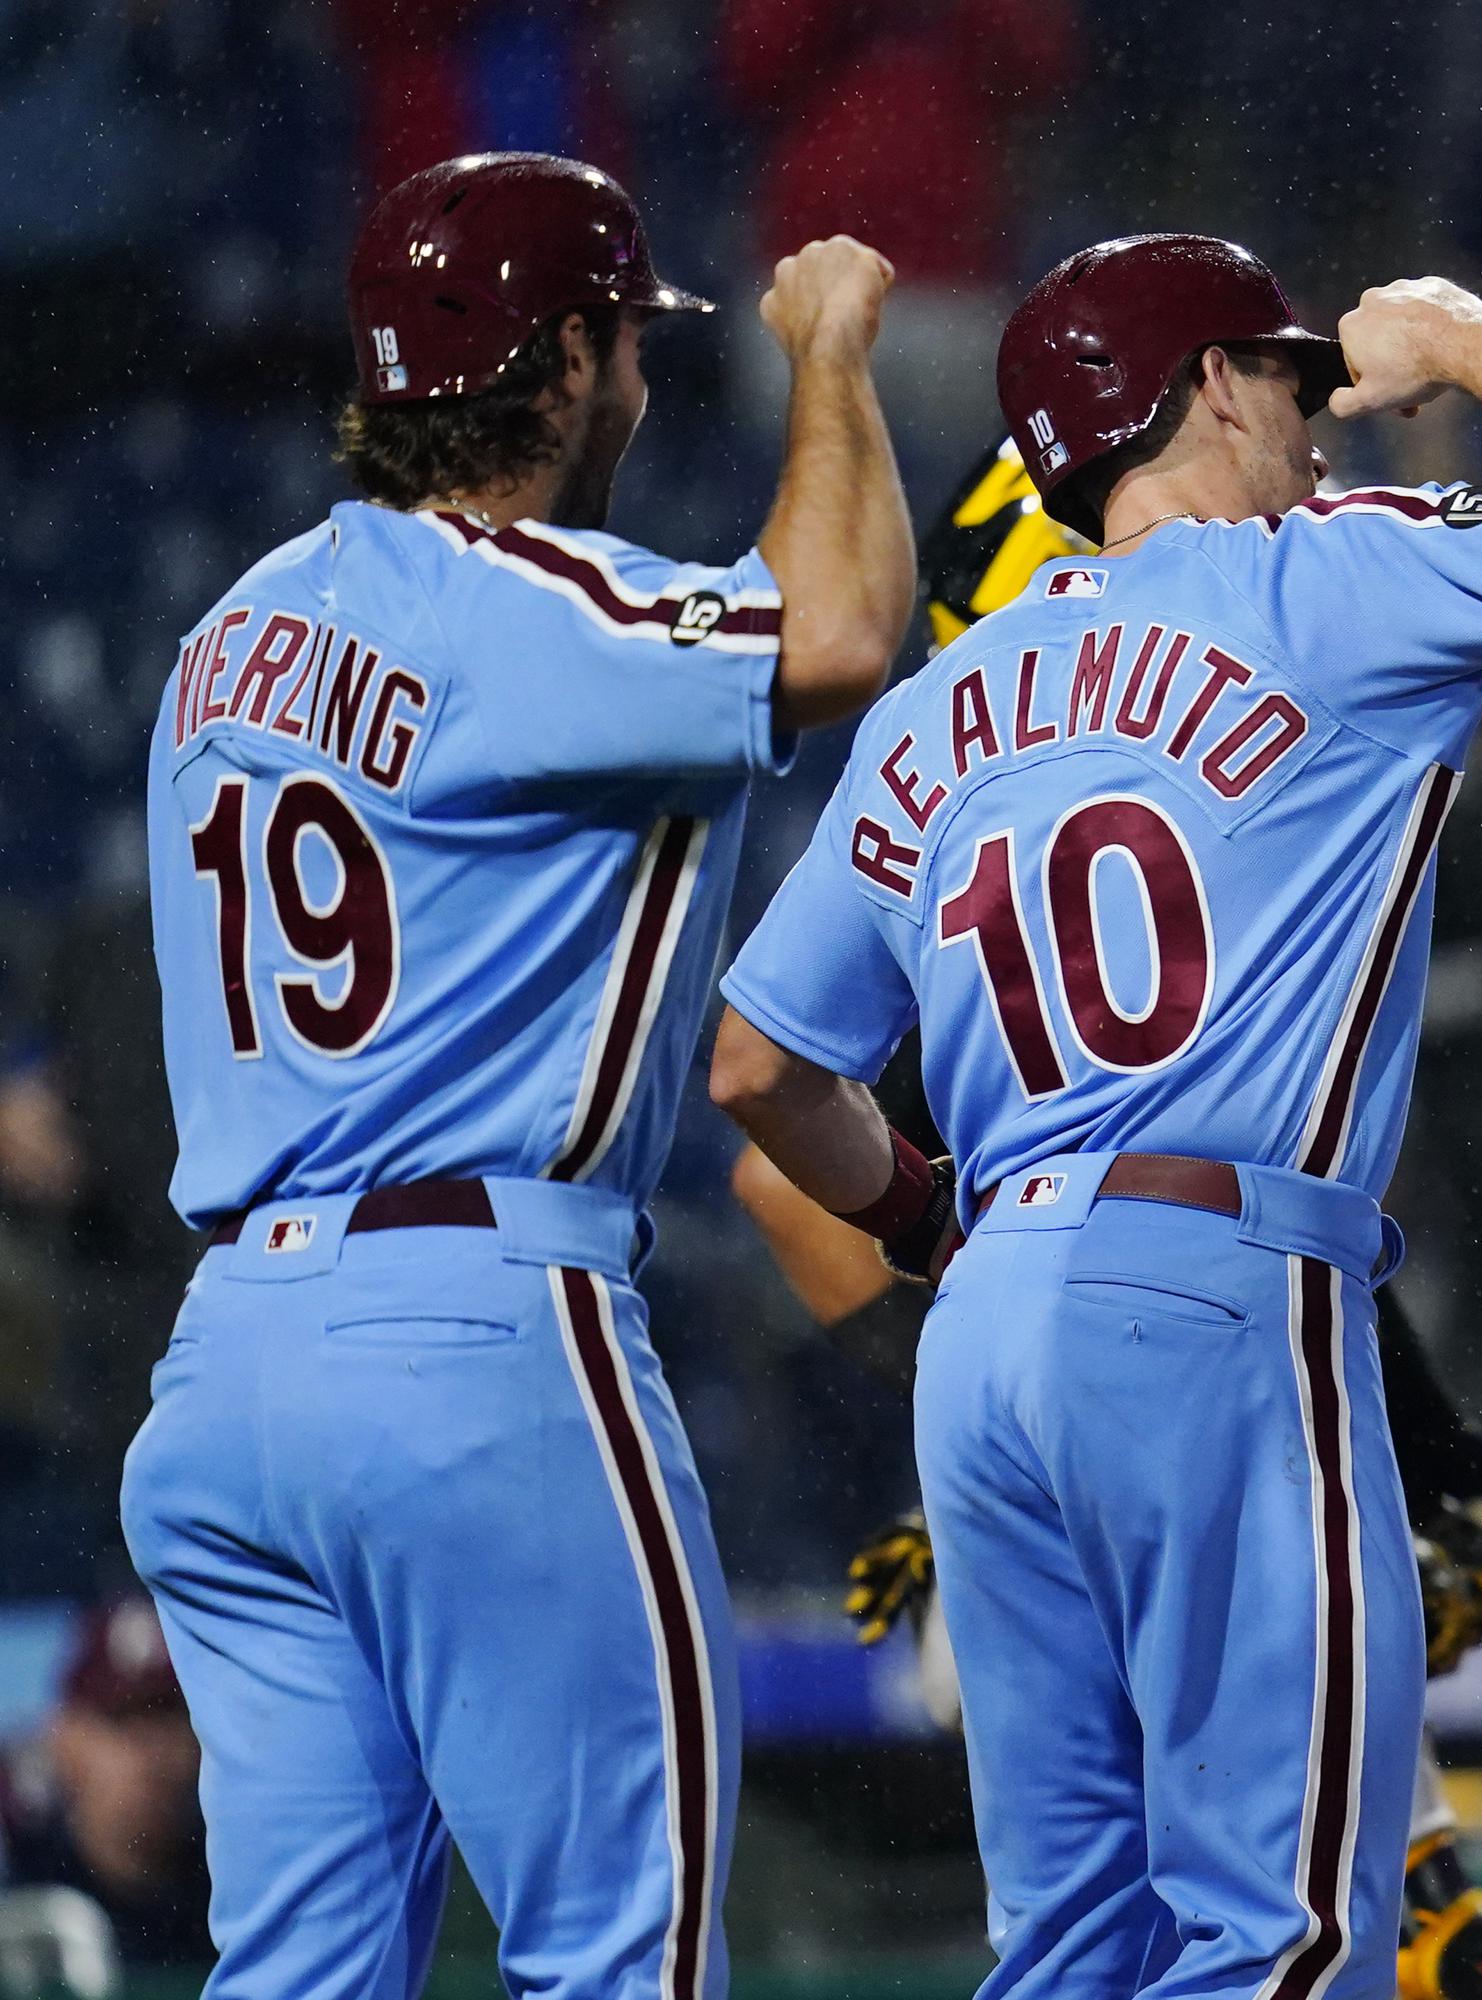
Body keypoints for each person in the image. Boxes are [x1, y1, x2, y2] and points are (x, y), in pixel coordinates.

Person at [708, 231, 1482, 2000]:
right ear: (1192, 391)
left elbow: (756, 1071)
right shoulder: (1316, 580)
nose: (1314, 413)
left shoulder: (939, 706)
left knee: (1068, 1945)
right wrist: (1474, 337)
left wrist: (926, 1228)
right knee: (1290, 1930)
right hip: (1213, 1291)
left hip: (991, 1345)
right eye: (1280, 375)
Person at [122, 151, 912, 2000]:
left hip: (227, 1363)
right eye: (624, 337)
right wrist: (837, 357)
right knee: (622, 1958)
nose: (638, 375)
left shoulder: (225, 629)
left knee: (300, 1979)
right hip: (469, 1332)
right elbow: (849, 631)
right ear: (557, 361)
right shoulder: (523, 605)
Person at [0, 1596, 211, 1973]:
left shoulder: (240, 1889)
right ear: (65, 1737)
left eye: (169, 1714)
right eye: (120, 1719)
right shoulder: (18, 1893)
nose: (152, 1749)